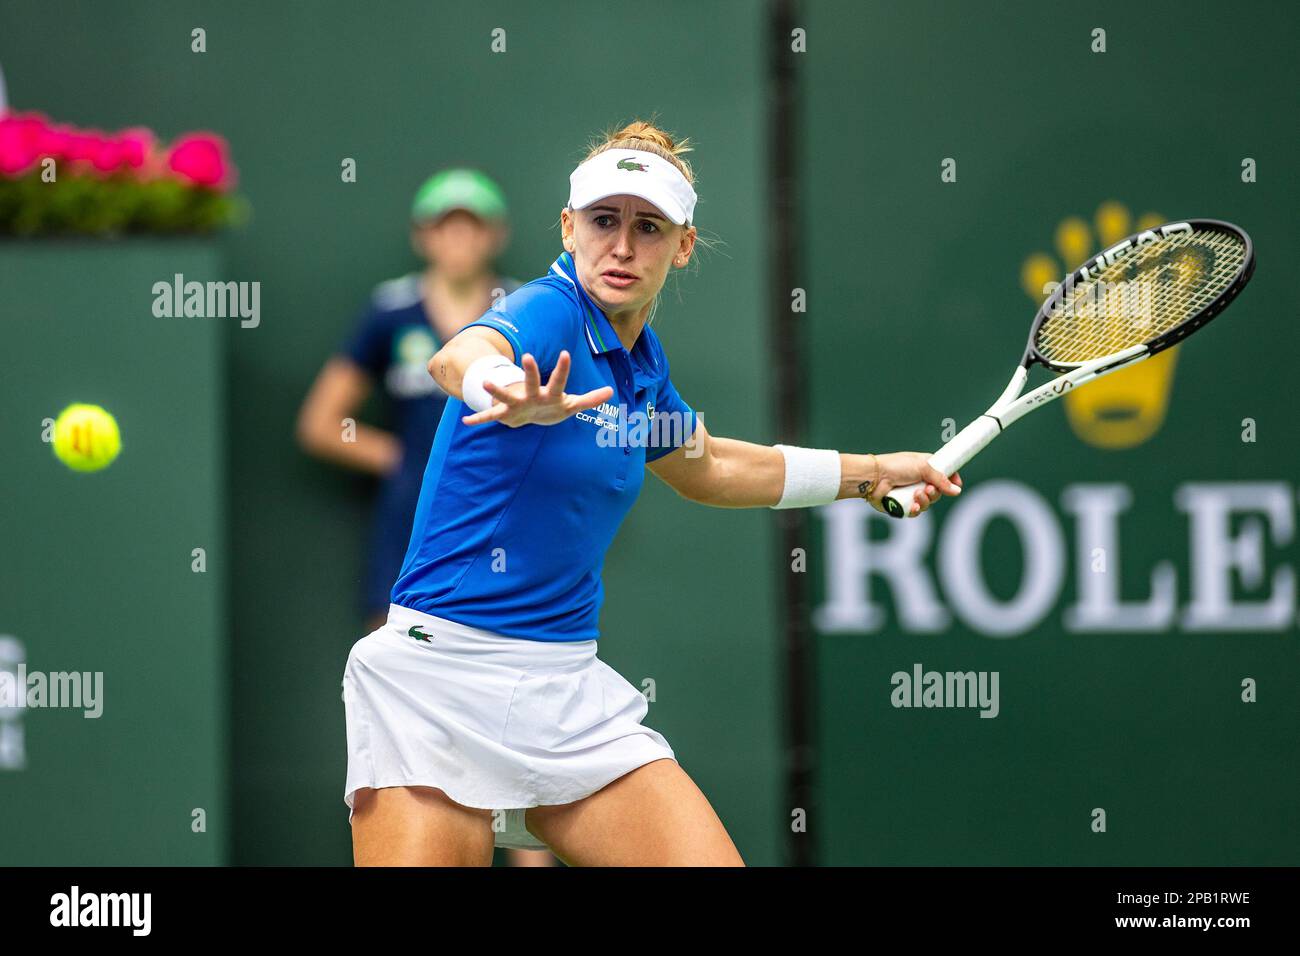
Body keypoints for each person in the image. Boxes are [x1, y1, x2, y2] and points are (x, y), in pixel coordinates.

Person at [341, 121, 963, 867]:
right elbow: (458, 355)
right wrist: (505, 389)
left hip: (564, 692)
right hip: (437, 679)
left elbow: (709, 466)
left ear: (684, 244)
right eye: (604, 222)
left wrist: (867, 472)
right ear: (569, 229)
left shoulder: (640, 364)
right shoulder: (548, 310)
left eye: (649, 227)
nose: (624, 247)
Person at [298, 169, 515, 636]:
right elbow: (321, 422)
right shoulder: (390, 312)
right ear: (423, 236)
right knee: (393, 659)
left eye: (472, 225)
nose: (458, 238)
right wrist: (404, 461)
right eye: (444, 225)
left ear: (496, 236)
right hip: (409, 518)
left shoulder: (524, 310)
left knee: (498, 659)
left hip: (501, 516)